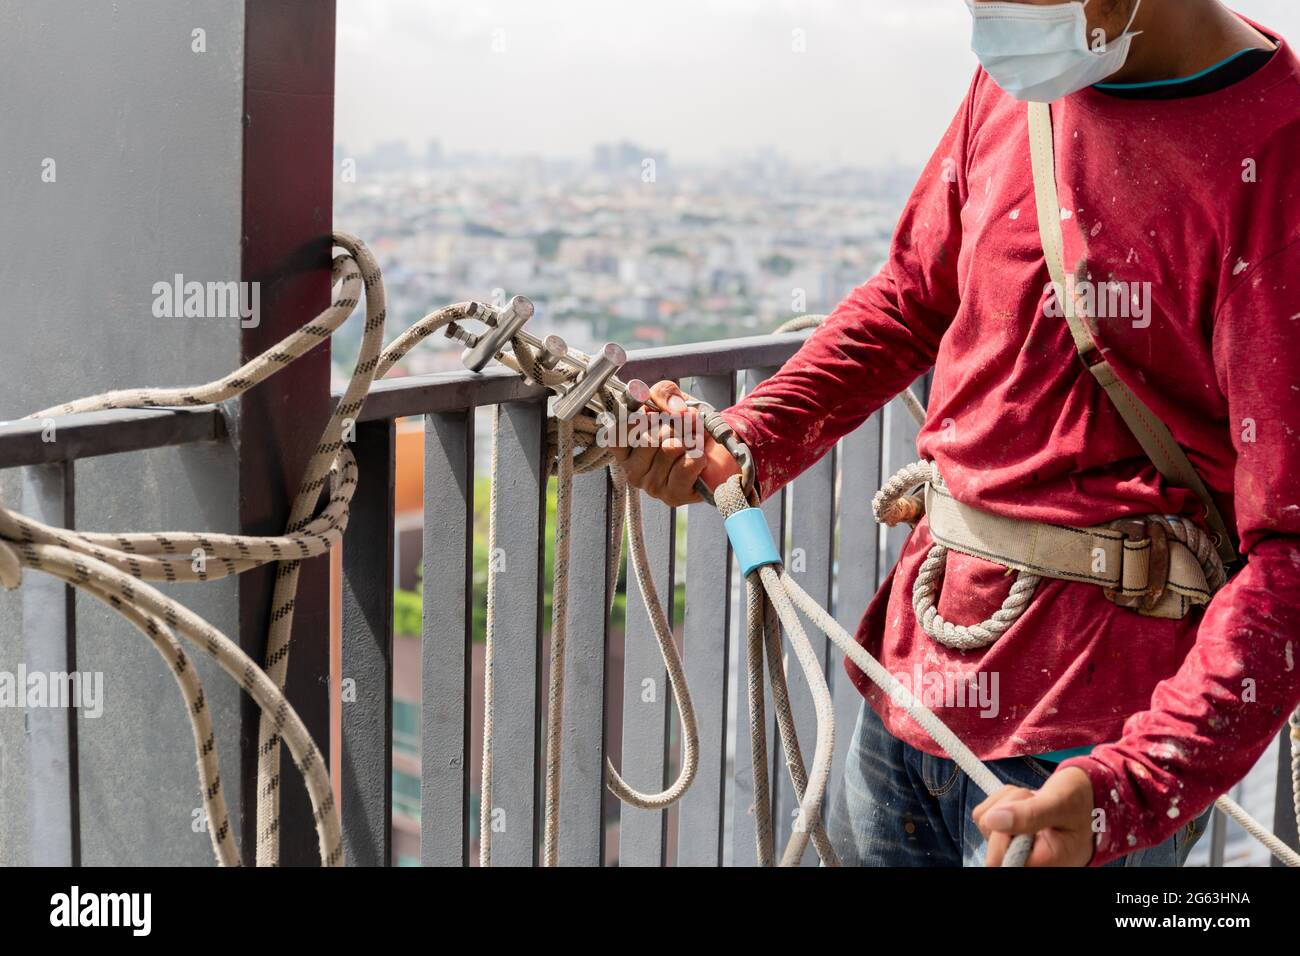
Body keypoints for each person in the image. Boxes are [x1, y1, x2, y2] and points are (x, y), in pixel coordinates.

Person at [609, 0, 1300, 867]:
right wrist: (745, 439)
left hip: (1085, 743)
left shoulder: (1277, 157)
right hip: (912, 682)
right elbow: (911, 297)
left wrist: (1130, 792)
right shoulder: (1034, 80)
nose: (991, 17)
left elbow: (1291, 547)